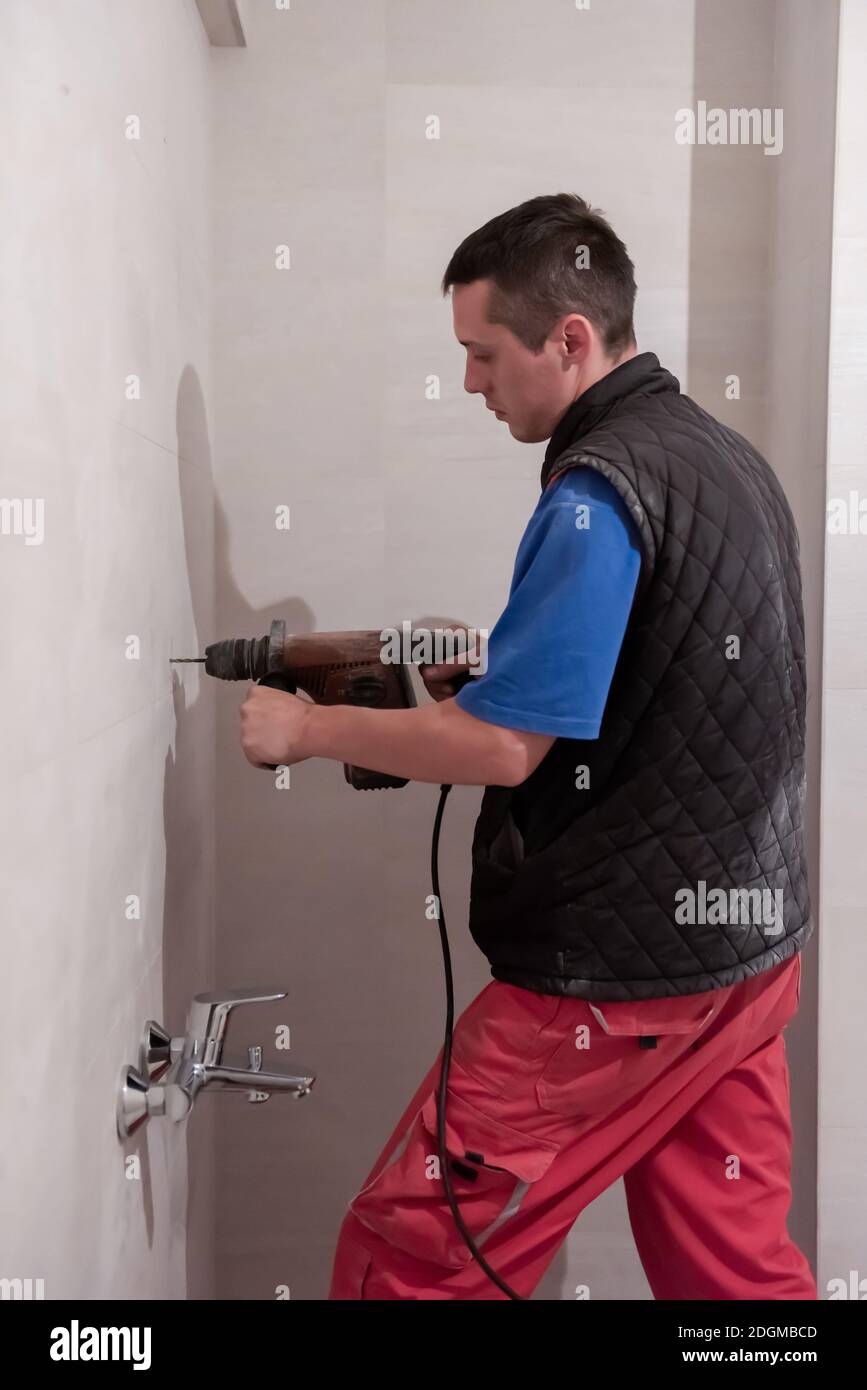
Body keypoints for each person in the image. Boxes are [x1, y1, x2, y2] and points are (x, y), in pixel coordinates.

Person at [239, 193, 816, 1301]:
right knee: (737, 1275)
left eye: (482, 353)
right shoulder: (730, 462)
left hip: (618, 980)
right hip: (745, 957)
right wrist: (513, 675)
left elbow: (503, 751)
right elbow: (678, 682)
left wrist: (303, 728)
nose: (469, 384)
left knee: (405, 1254)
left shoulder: (597, 489)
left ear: (571, 338)